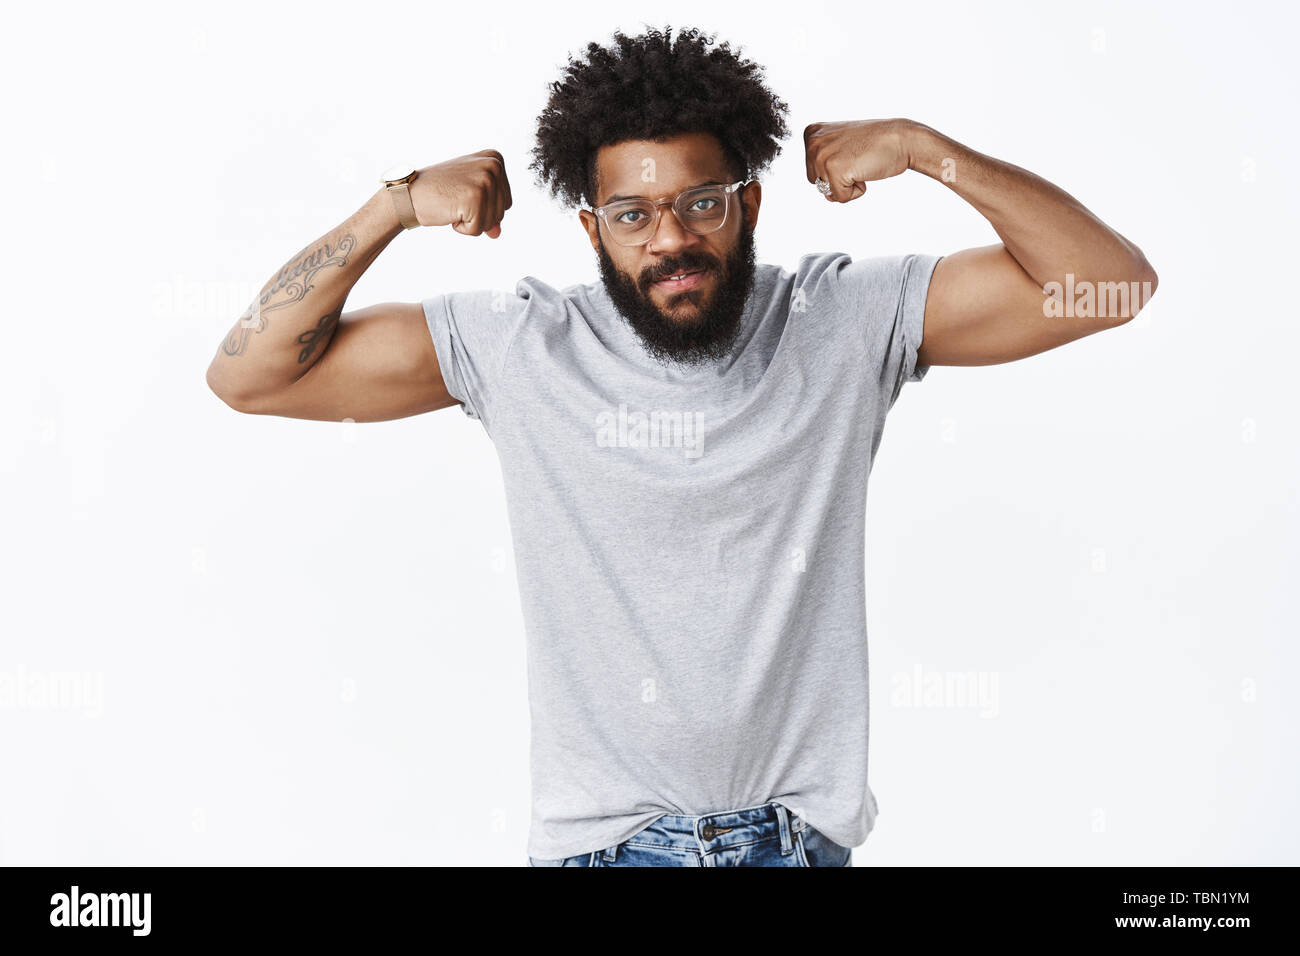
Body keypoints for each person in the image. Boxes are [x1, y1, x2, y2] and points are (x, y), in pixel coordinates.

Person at [205, 25, 1157, 867]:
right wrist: (397, 203)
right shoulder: (520, 346)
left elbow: (1112, 284)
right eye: (633, 215)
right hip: (606, 849)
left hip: (800, 841)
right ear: (592, 228)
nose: (671, 239)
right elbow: (250, 377)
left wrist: (925, 151)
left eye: (701, 202)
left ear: (747, 204)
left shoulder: (843, 319)